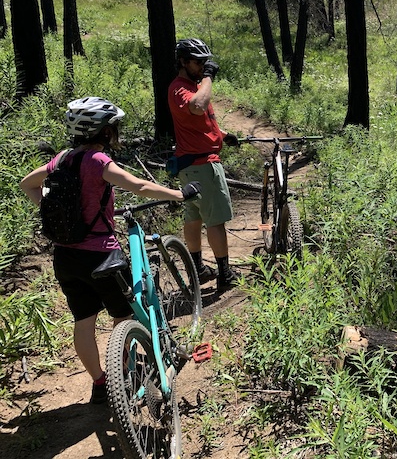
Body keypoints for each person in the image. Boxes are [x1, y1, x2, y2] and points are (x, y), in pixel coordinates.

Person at [20, 96, 201, 405]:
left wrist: (53, 212)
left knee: (83, 321)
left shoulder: (62, 158)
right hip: (101, 254)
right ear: (104, 132)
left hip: (65, 257)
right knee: (124, 314)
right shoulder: (98, 161)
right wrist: (178, 194)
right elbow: (138, 186)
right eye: (113, 128)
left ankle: (101, 382)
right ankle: (124, 373)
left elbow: (28, 184)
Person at [168, 38, 239, 292]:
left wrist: (222, 135)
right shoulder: (180, 88)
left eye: (204, 63)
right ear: (184, 62)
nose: (202, 67)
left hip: (191, 165)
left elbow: (197, 124)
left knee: (194, 217)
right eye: (198, 62)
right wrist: (208, 78)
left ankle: (198, 268)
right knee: (216, 221)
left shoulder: (189, 88)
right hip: (203, 166)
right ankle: (225, 274)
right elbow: (198, 106)